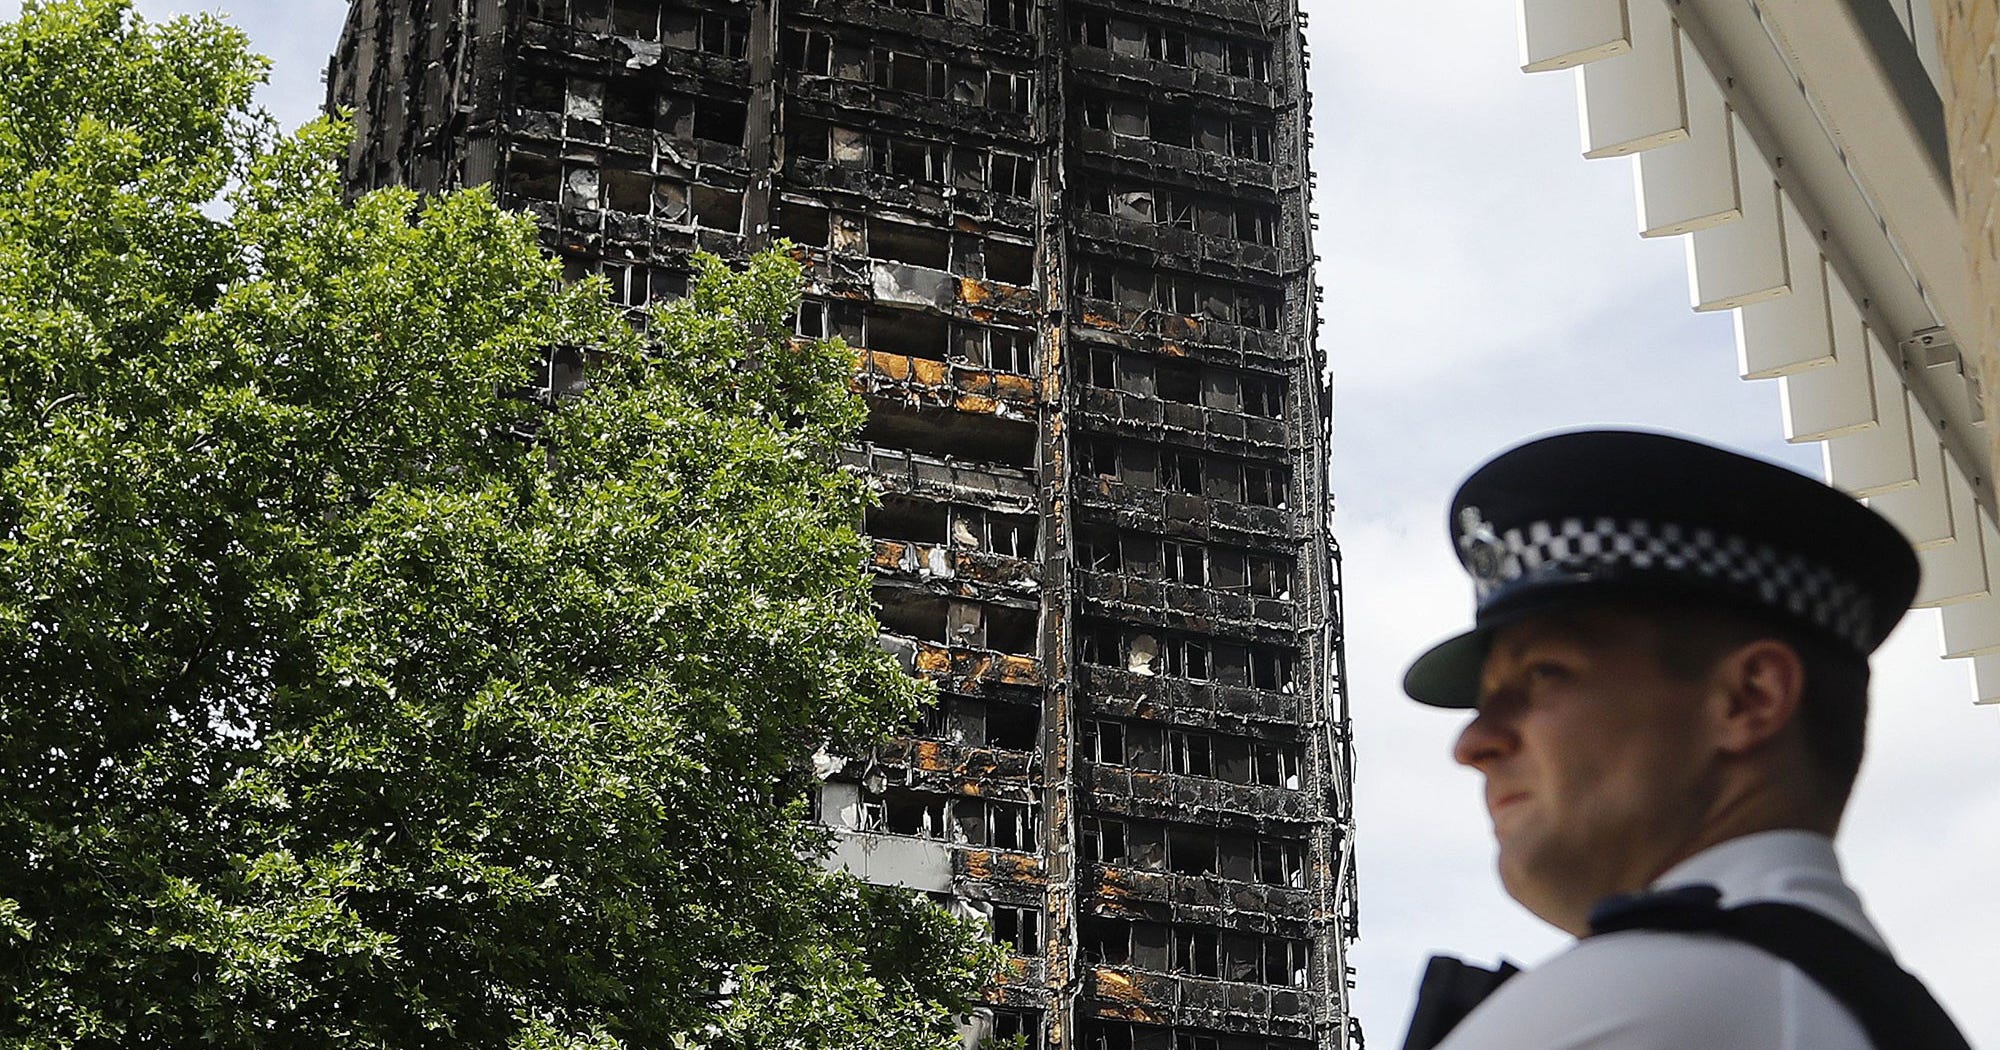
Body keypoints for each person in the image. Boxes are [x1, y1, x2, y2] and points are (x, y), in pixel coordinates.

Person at [1397, 429, 1971, 1050]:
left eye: (1544, 674)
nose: (1474, 742)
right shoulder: (1846, 996)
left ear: (1749, 699)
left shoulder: (1636, 1007)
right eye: (1486, 701)